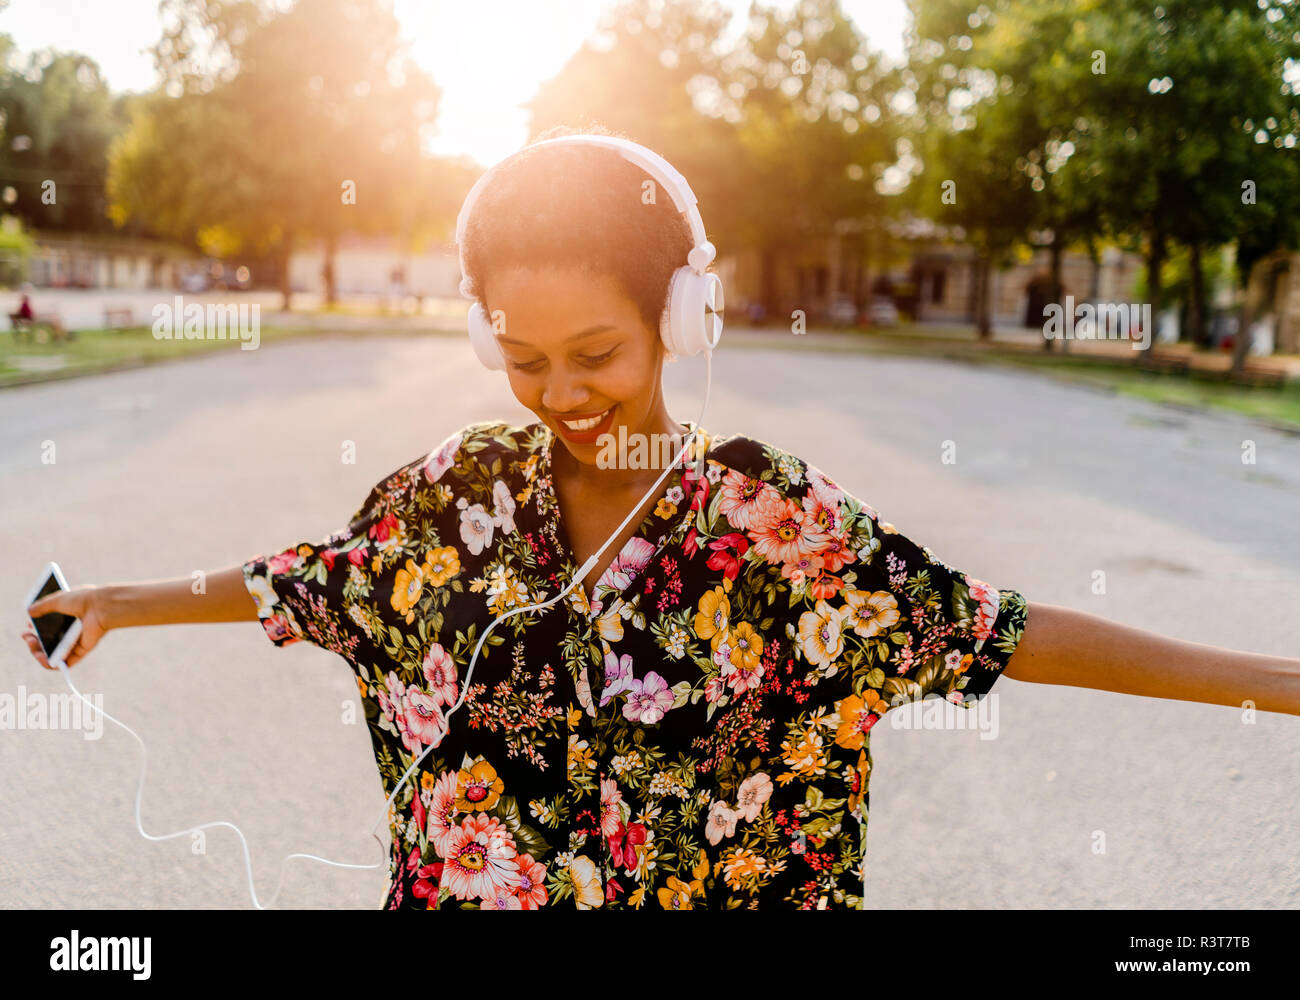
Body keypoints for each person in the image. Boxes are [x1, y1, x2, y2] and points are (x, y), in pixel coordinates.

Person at [22, 126, 1300, 912]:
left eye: (597, 352)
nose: (562, 394)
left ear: (679, 320)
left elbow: (994, 632)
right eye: (522, 358)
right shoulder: (446, 498)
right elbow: (312, 581)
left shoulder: (771, 519)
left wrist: (1275, 683)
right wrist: (122, 602)